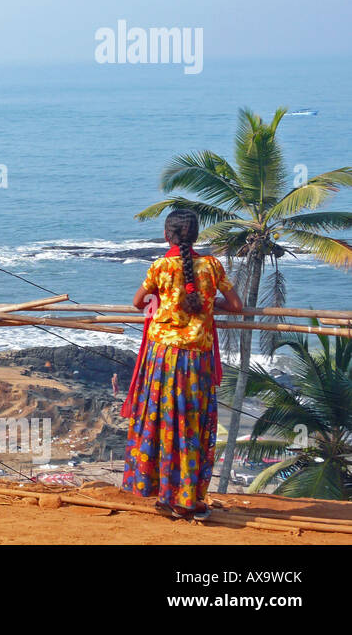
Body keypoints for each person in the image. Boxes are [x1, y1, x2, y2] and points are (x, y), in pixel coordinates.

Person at [121, 209, 244, 520]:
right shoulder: (213, 266)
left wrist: (166, 301)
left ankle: (165, 495)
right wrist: (207, 302)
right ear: (197, 235)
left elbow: (138, 302)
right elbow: (236, 306)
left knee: (163, 423)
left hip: (163, 358)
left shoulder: (161, 266)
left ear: (168, 235)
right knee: (192, 425)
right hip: (197, 361)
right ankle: (190, 499)